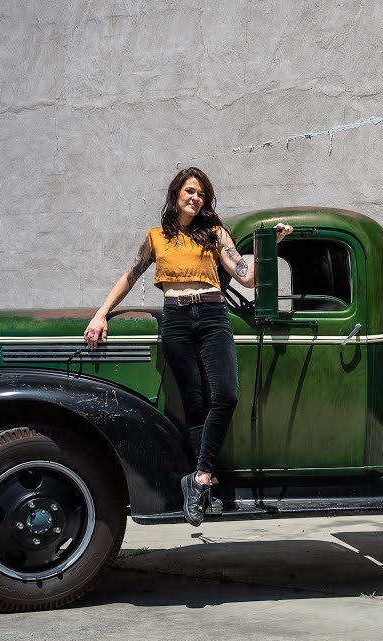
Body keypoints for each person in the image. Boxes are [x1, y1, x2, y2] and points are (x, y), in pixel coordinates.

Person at [83, 167, 291, 526]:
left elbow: (247, 277)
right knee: (194, 403)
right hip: (176, 320)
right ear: (176, 193)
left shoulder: (215, 233)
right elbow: (129, 276)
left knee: (226, 395)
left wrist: (271, 247)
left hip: (212, 315)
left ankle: (199, 477)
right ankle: (204, 484)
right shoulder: (155, 238)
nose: (196, 198)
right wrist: (101, 314)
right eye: (190, 191)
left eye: (201, 194)